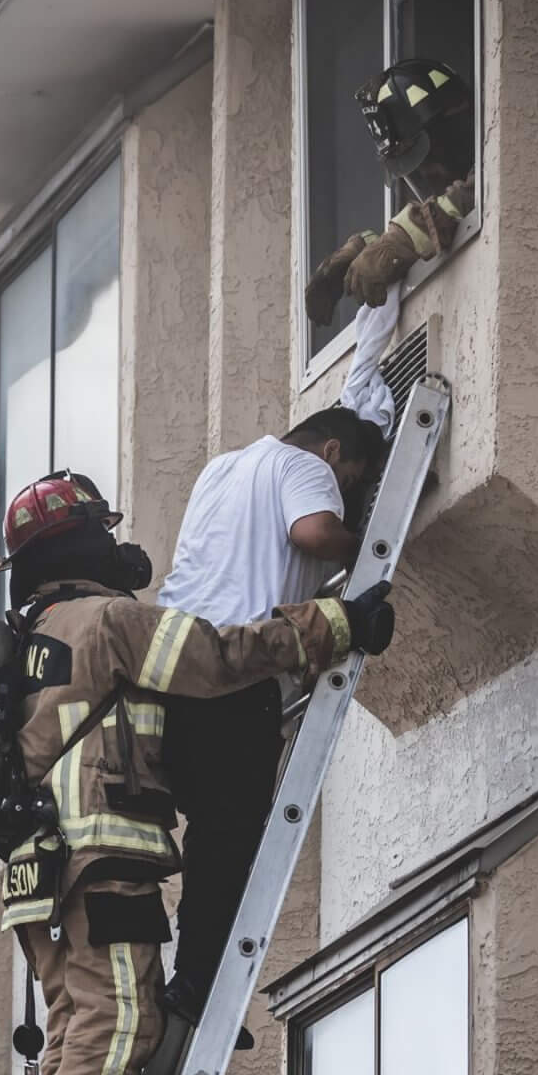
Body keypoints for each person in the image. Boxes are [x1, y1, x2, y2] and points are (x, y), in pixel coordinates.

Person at [0, 471, 395, 1075]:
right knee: (119, 1013)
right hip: (99, 851)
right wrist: (334, 625)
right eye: (103, 533)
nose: (118, 546)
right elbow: (214, 655)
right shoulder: (109, 620)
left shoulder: (26, 646)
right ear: (82, 544)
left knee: (72, 1018)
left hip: (36, 872)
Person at [151, 404, 389, 1028]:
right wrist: (368, 546)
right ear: (333, 452)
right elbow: (312, 534)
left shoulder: (221, 470)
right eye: (351, 484)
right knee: (227, 839)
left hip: (173, 669)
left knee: (204, 831)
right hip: (240, 668)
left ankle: (188, 980)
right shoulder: (305, 466)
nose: (345, 497)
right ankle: (196, 985)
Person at [304, 57, 477, 326]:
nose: (429, 175)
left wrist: (400, 241)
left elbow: (468, 197)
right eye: (416, 172)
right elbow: (436, 221)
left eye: (428, 158)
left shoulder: (497, 161)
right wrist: (364, 251)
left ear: (456, 126)